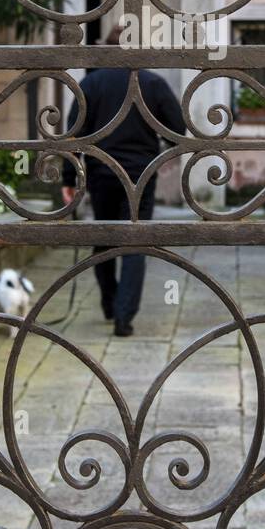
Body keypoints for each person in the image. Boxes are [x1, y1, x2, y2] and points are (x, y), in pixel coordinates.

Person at [60, 25, 186, 337]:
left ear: (105, 48)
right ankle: (123, 316)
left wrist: (69, 178)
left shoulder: (91, 83)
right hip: (141, 174)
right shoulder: (152, 83)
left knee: (104, 239)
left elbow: (71, 135)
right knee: (134, 242)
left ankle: (109, 302)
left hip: (102, 172)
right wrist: (160, 150)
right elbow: (178, 130)